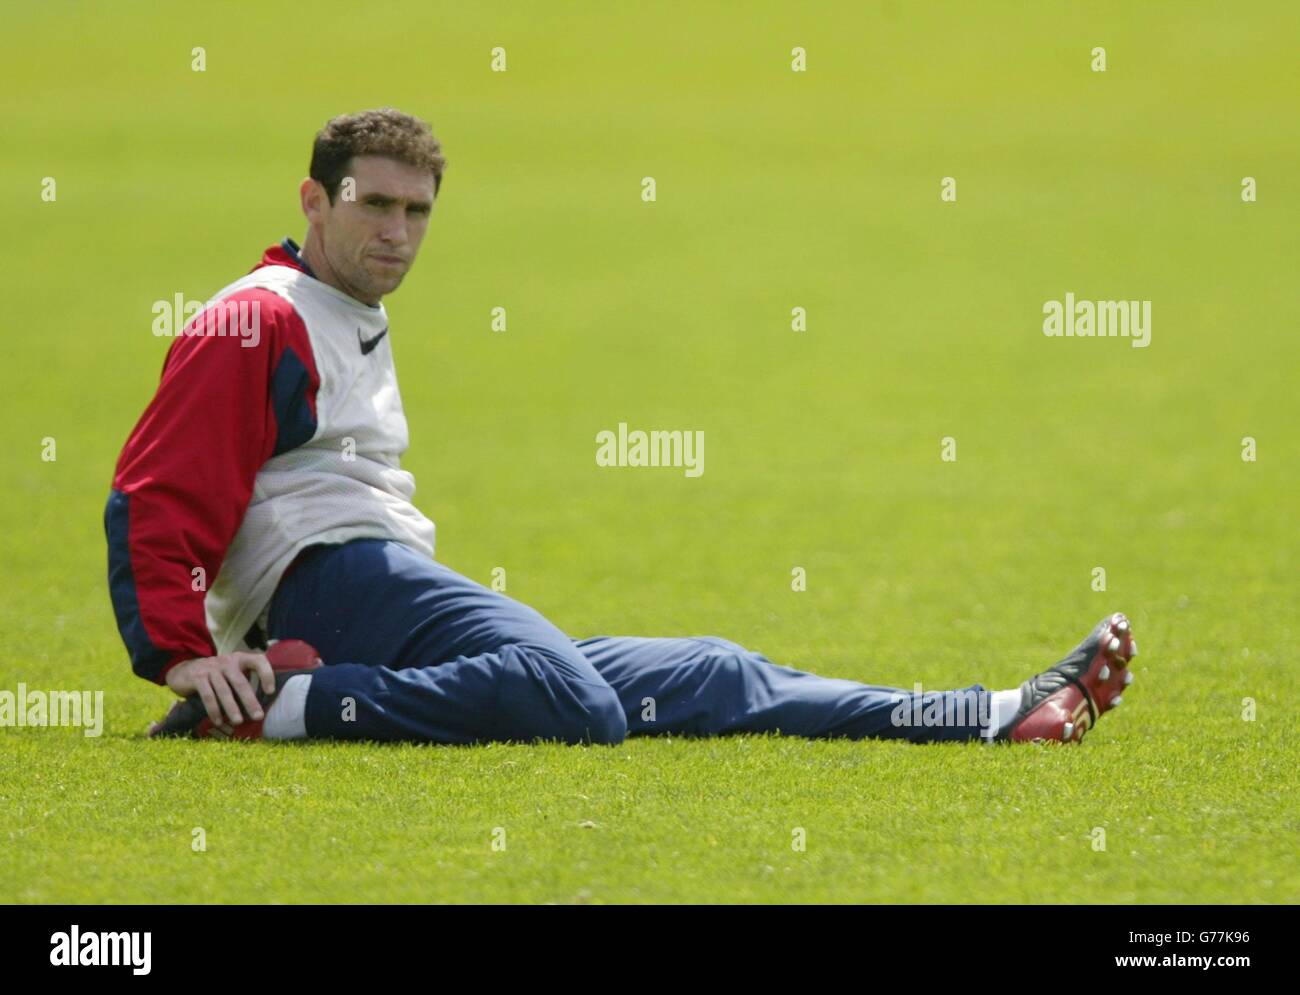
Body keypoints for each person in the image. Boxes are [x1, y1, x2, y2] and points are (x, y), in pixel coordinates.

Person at [104, 108, 1137, 747]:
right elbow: (155, 490)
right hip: (329, 584)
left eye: (418, 211)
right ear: (312, 198)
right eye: (374, 203)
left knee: (709, 671)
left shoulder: (344, 307)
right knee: (572, 699)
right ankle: (275, 707)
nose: (396, 231)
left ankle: (997, 712)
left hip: (378, 586)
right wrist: (185, 653)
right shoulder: (258, 315)